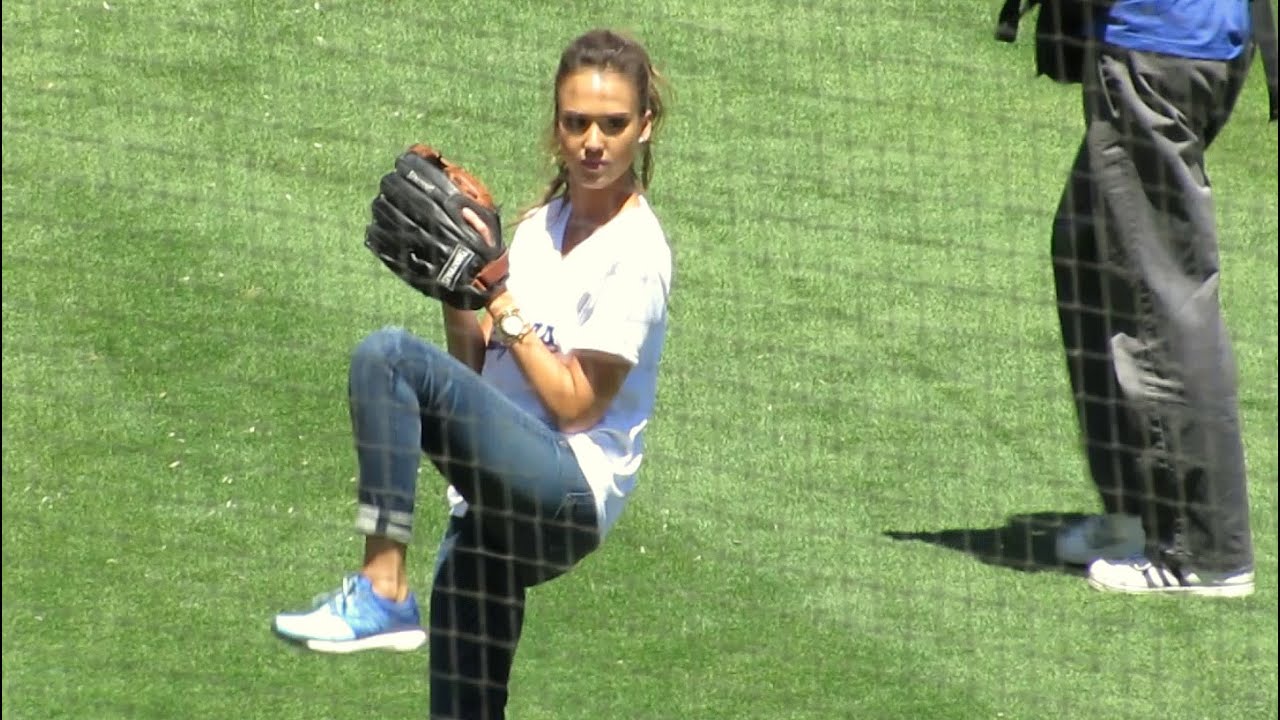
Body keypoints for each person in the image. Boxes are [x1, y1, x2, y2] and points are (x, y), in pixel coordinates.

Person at [271, 27, 673, 717]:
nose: (593, 142)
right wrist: (460, 296)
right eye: (576, 123)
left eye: (612, 123)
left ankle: (383, 588)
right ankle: (386, 594)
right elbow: (478, 373)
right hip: (495, 504)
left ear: (644, 126)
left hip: (565, 498)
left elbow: (576, 405)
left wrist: (498, 295)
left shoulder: (636, 253)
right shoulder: (540, 227)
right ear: (556, 127)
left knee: (386, 357)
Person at [1049, 0, 1268, 596]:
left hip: (1159, 47)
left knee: (1164, 293)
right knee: (1087, 250)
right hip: (1192, 38)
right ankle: (1134, 516)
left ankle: (1204, 551)